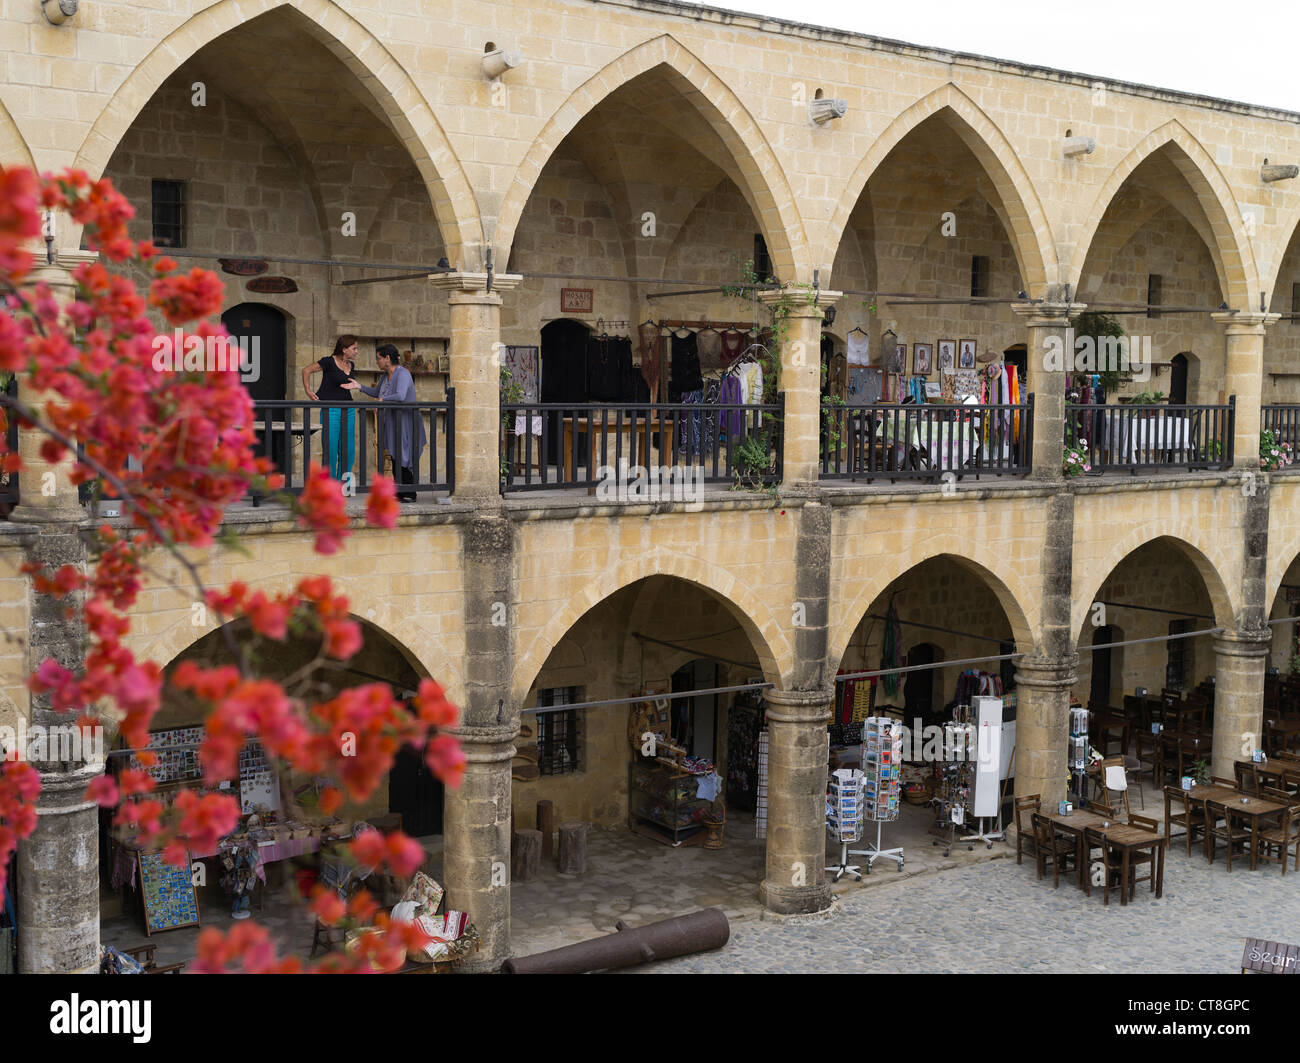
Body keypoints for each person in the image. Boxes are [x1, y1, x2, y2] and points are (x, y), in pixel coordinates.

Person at [356, 344, 426, 502]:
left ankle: (409, 493)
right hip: (392, 421)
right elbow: (376, 392)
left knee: (404, 455)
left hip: (405, 421)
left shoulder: (403, 374)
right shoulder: (384, 376)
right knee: (395, 455)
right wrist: (359, 386)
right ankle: (400, 492)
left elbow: (400, 395)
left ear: (387, 358)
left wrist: (382, 400)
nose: (377, 361)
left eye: (379, 358)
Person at [301, 335, 360, 482]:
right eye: (354, 348)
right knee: (331, 448)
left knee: (348, 449)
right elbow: (306, 370)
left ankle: (344, 484)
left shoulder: (351, 365)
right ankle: (329, 485)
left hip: (349, 409)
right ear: (344, 349)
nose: (357, 351)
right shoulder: (328, 361)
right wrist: (308, 390)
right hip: (330, 410)